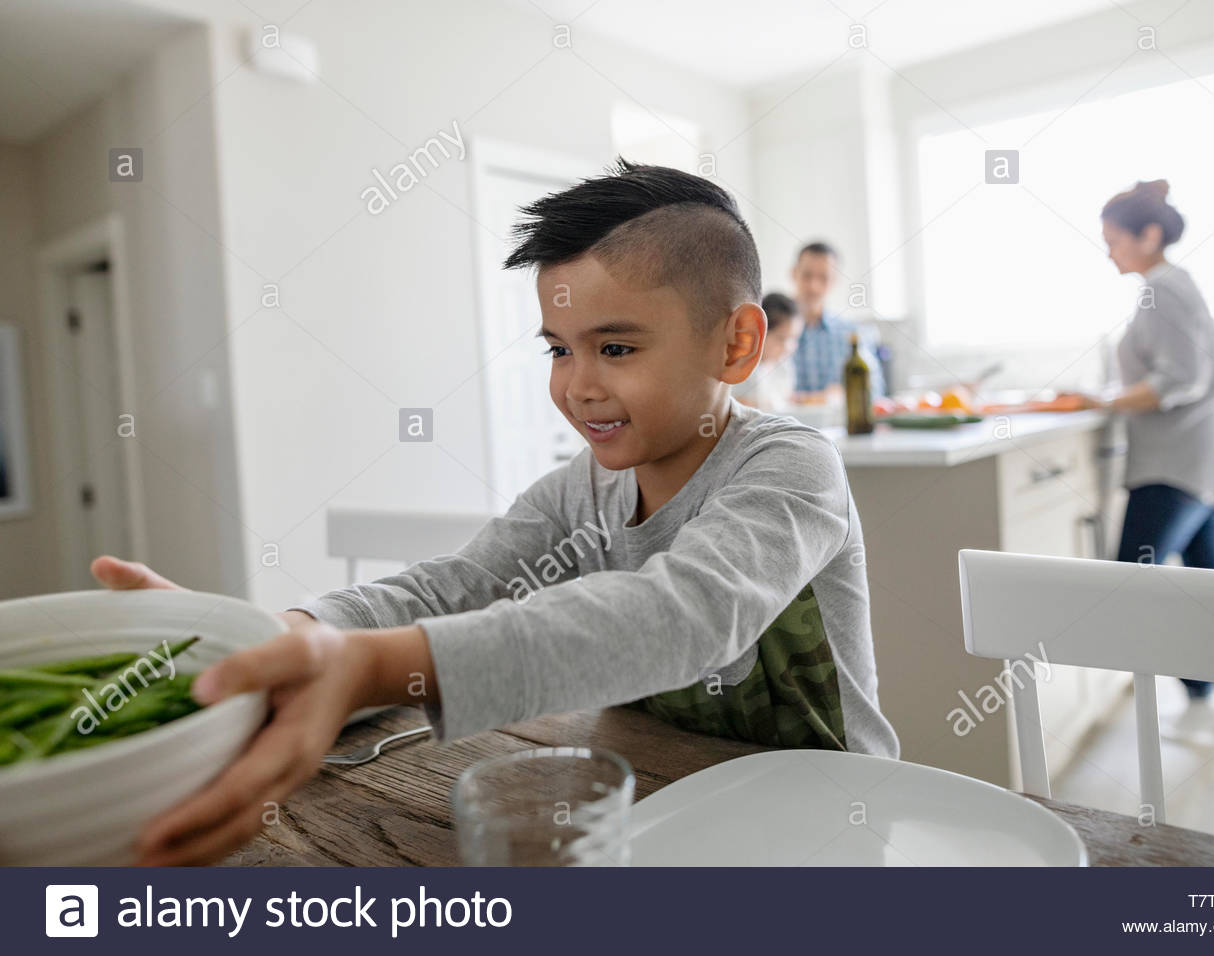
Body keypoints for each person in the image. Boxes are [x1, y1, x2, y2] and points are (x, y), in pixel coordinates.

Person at [91, 159, 899, 865]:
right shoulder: (578, 491)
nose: (576, 385)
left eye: (615, 348)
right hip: (662, 809)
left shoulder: (790, 468)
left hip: (836, 827)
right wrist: (274, 647)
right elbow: (453, 588)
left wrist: (370, 668)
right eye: (558, 348)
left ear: (735, 345)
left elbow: (686, 615)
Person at [1077, 179, 1214, 743]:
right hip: (1194, 458)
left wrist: (1104, 399)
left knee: (1136, 583)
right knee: (1206, 583)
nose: (1108, 251)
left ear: (1149, 235)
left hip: (1179, 463)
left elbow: (1183, 378)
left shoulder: (1166, 288)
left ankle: (1209, 699)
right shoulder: (1164, 287)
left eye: (1114, 239)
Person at [789, 241, 884, 401]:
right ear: (793, 274)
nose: (813, 286)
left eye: (823, 278)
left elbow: (874, 390)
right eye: (807, 275)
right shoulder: (770, 332)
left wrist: (806, 399)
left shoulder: (852, 334)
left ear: (835, 281)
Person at [732, 292, 803, 411]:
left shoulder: (784, 365)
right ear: (760, 332)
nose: (788, 347)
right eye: (781, 338)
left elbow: (785, 400)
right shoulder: (742, 369)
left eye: (794, 338)